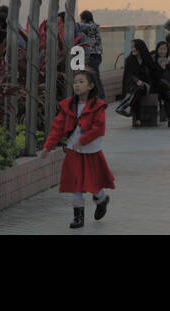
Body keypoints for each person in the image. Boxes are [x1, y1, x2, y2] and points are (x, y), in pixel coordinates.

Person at [40, 69, 115, 229]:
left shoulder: (98, 106)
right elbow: (57, 127)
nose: (77, 85)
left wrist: (83, 140)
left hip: (91, 151)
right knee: (76, 184)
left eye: (81, 82)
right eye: (75, 82)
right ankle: (78, 217)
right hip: (73, 151)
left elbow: (99, 128)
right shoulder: (68, 105)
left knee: (93, 183)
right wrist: (48, 146)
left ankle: (101, 200)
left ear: (91, 86)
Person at [122, 39, 160, 126]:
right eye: (131, 47)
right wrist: (137, 80)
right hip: (133, 84)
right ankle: (137, 118)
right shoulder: (129, 60)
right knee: (137, 91)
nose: (132, 49)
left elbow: (154, 73)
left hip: (146, 85)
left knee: (139, 89)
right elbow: (129, 75)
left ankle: (129, 107)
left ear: (140, 48)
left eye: (134, 47)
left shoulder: (147, 59)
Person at [151, 41, 170, 126]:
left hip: (167, 88)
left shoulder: (169, 61)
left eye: (165, 49)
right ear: (157, 50)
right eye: (161, 49)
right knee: (164, 86)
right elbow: (153, 76)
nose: (162, 51)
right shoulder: (153, 60)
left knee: (168, 95)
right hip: (156, 86)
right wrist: (161, 68)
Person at [78, 10, 105, 99]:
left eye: (81, 19)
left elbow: (79, 26)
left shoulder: (91, 26)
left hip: (93, 55)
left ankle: (101, 98)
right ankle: (97, 98)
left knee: (95, 78)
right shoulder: (93, 26)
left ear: (84, 19)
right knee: (93, 77)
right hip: (96, 55)